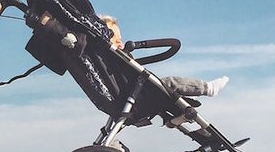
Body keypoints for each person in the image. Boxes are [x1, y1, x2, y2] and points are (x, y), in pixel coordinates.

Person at [98, 15, 229, 98]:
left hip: (125, 96)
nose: (120, 42)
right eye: (116, 39)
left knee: (170, 93)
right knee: (170, 83)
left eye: (121, 39)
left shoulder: (104, 63)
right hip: (136, 94)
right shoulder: (115, 58)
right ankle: (207, 88)